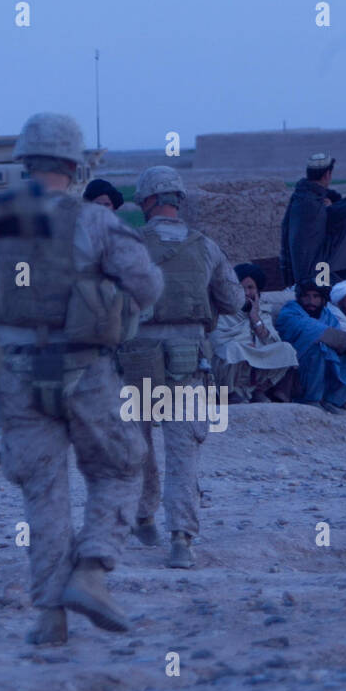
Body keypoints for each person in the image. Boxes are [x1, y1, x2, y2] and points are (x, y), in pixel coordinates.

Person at [0, 113, 164, 645]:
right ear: (76, 164)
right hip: (84, 369)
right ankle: (92, 573)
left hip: (16, 372)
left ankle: (49, 617)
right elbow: (148, 284)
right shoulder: (95, 222)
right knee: (120, 467)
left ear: (24, 161)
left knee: (42, 493)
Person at [130, 165, 244, 568]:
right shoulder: (206, 246)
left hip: (135, 359)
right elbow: (233, 301)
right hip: (186, 361)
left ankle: (142, 517)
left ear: (146, 201)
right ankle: (181, 538)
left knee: (136, 446)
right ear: (178, 200)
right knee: (182, 451)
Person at [208, 262, 298, 403]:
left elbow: (272, 340)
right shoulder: (222, 310)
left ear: (257, 290)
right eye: (241, 288)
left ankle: (258, 391)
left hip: (256, 353)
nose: (246, 293)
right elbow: (216, 340)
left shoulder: (262, 310)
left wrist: (254, 316)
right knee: (233, 350)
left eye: (250, 288)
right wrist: (244, 344)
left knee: (286, 349)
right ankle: (231, 393)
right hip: (235, 357)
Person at [274, 279, 346, 413]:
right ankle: (311, 399)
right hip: (298, 364)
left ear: (322, 299)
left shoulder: (327, 316)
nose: (311, 301)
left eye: (316, 297)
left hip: (328, 358)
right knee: (317, 349)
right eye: (306, 296)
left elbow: (338, 341)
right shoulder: (290, 313)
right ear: (300, 297)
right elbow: (313, 330)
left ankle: (333, 400)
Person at [279, 153, 346, 286]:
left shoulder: (302, 197)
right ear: (327, 175)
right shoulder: (311, 203)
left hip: (310, 269)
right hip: (315, 274)